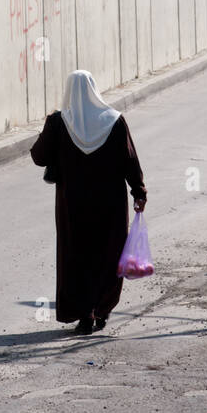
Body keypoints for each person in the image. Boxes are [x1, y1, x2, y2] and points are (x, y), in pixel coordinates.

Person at [30, 70, 147, 335]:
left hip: (73, 207)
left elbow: (39, 156)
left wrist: (48, 128)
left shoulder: (59, 122)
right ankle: (102, 308)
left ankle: (85, 314)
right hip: (110, 206)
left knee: (77, 256)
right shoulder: (115, 121)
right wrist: (139, 192)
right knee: (107, 254)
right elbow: (130, 161)